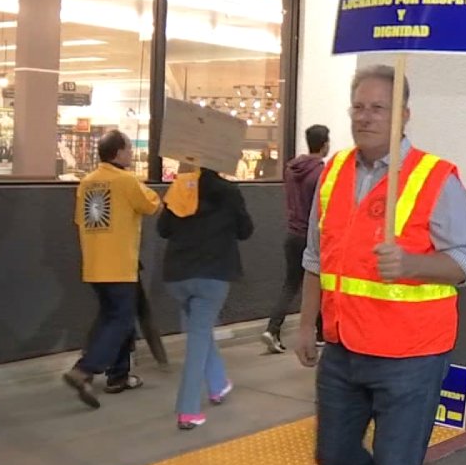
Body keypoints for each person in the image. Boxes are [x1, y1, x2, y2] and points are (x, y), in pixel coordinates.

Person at [296, 65, 466, 465]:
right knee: (333, 455)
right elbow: (315, 258)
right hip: (343, 350)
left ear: (404, 115)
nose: (365, 117)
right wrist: (307, 325)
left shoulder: (436, 177)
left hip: (411, 357)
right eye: (358, 107)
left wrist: (414, 264)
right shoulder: (333, 171)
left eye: (378, 108)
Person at [63, 130, 162, 409]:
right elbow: (152, 204)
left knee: (113, 317)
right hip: (119, 264)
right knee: (120, 320)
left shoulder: (86, 183)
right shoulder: (126, 181)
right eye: (129, 149)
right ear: (118, 152)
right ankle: (84, 370)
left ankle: (118, 376)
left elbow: (80, 220)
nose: (132, 154)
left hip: (94, 264)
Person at [157, 164, 254, 429]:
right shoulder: (228, 191)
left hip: (176, 276)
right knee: (198, 341)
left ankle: (218, 384)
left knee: (200, 331)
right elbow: (246, 230)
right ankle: (188, 410)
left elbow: (163, 229)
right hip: (212, 276)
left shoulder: (180, 188)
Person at [263, 124, 330, 354]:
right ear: (324, 145)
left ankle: (273, 329)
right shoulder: (321, 173)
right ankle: (322, 333)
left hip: (292, 233)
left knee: (291, 284)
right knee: (321, 281)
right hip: (311, 237)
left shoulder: (291, 169)